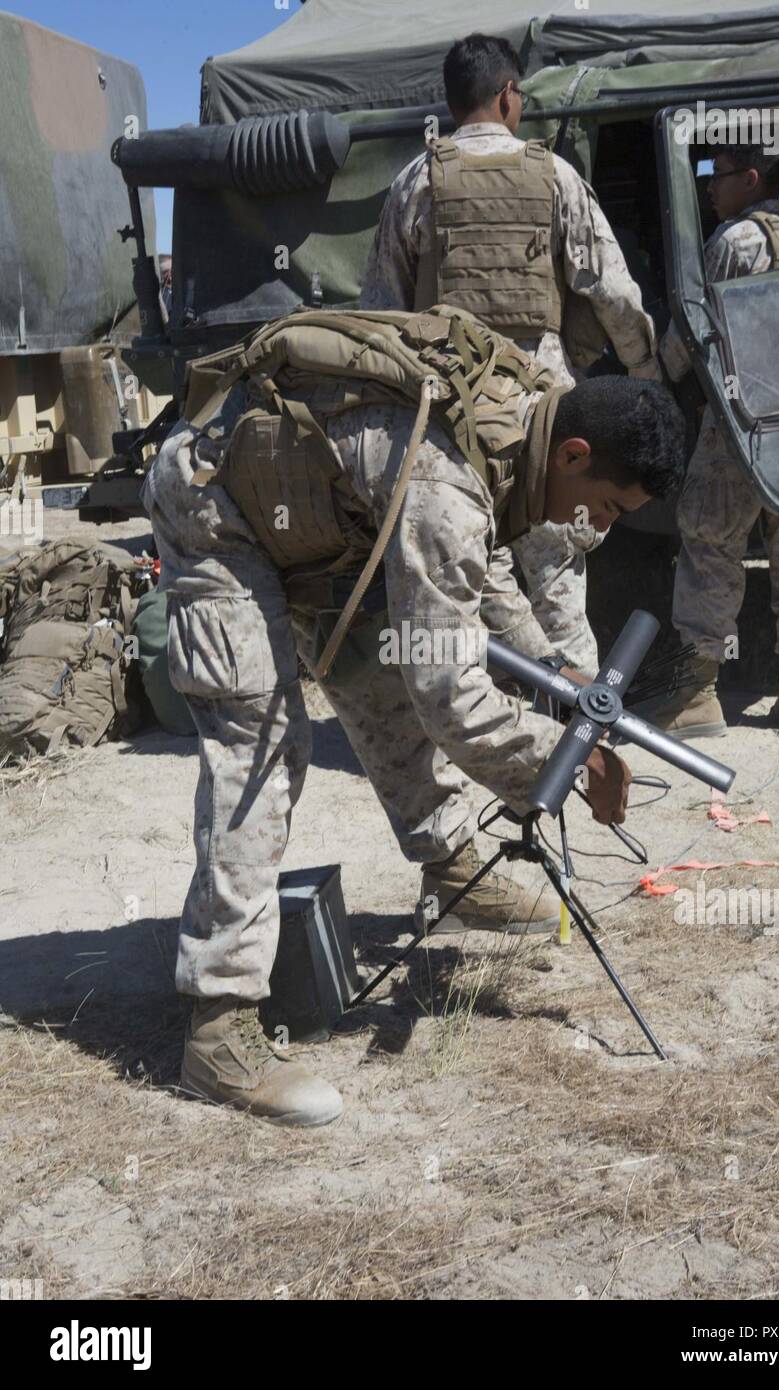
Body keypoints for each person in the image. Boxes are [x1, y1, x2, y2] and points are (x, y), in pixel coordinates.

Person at [143, 309, 686, 1127]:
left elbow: (478, 565)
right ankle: (218, 1030)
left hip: (332, 519)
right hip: (217, 509)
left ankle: (451, 867)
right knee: (263, 738)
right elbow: (452, 696)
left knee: (378, 670)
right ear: (573, 455)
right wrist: (567, 761)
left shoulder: (528, 414)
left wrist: (554, 666)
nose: (601, 528)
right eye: (605, 506)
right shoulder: (444, 489)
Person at [361, 31, 662, 679]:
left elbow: (380, 320)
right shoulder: (554, 176)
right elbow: (613, 294)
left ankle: (483, 729)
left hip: (453, 440)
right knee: (558, 594)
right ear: (507, 96)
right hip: (548, 438)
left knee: (462, 600)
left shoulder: (416, 181)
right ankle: (578, 734)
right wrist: (647, 378)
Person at [656, 142, 779, 738]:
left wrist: (656, 371)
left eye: (719, 175)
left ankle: (702, 694)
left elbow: (693, 330)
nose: (709, 187)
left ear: (752, 179)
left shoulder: (735, 243)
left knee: (710, 544)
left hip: (739, 423)